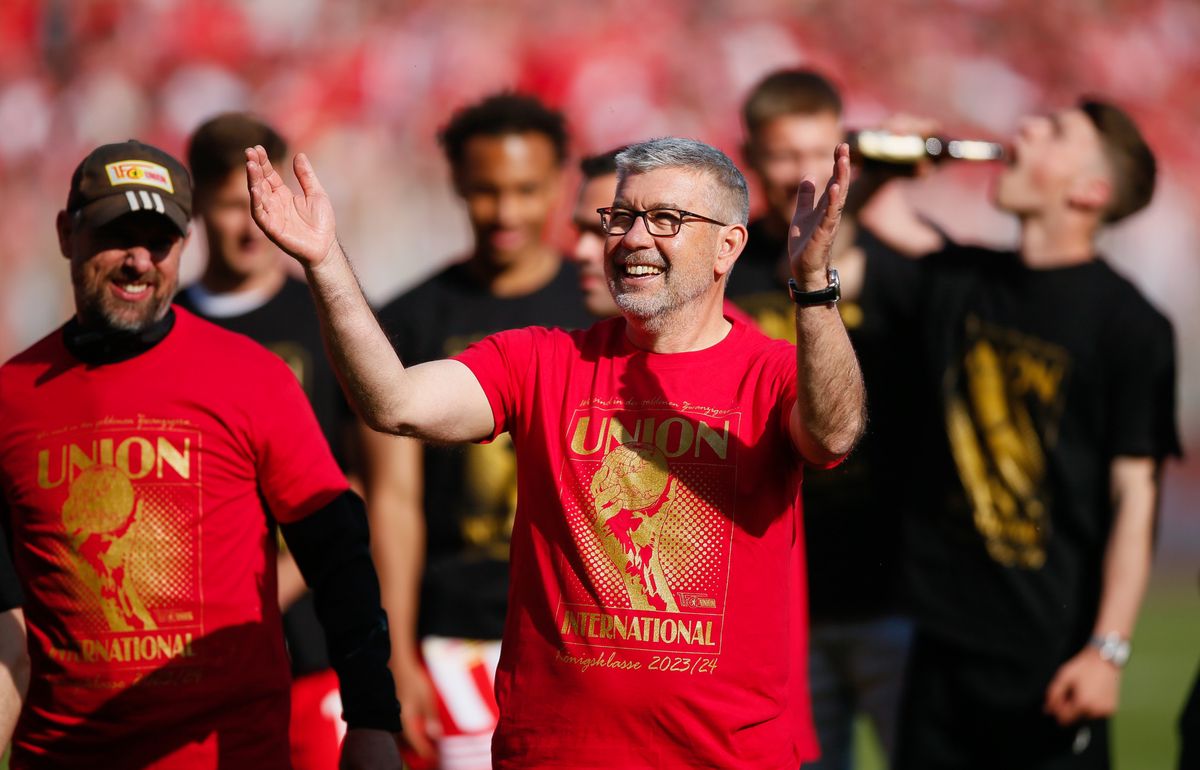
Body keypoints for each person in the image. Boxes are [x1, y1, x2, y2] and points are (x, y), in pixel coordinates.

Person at [248, 130, 865, 768]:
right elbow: (393, 402)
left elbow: (835, 433)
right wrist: (324, 263)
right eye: (621, 217)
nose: (632, 238)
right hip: (554, 752)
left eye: (664, 219)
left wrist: (813, 287)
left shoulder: (770, 373)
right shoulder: (541, 359)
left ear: (727, 246)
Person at [0, 139, 401, 768]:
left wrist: (373, 722)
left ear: (184, 245)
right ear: (64, 234)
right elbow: (6, 627)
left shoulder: (254, 378)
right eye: (114, 234)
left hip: (229, 754)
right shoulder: (11, 398)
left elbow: (338, 557)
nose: (138, 261)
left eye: (158, 240)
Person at [886, 100, 1180, 769]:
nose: (1022, 130)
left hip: (1049, 658)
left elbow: (1137, 497)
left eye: (1054, 133)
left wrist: (1108, 650)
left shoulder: (1131, 326)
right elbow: (874, 218)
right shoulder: (964, 278)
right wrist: (896, 161)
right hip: (940, 646)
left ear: (1090, 192)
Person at [368, 92, 592, 769]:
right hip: (452, 636)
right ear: (458, 183)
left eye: (527, 190)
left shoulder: (598, 311)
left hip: (581, 635)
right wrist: (391, 654)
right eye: (487, 191)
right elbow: (392, 500)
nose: (507, 212)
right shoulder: (407, 318)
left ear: (559, 183)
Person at [735, 68, 922, 769]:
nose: (802, 174)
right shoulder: (729, 263)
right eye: (784, 155)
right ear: (750, 155)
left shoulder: (895, 263)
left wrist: (889, 192)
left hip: (892, 587)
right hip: (774, 593)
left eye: (819, 152)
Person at [174, 111, 362, 770]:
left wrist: (274, 582)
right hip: (191, 654)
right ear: (194, 204)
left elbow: (361, 477)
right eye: (231, 204)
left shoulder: (326, 319)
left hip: (310, 643)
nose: (251, 225)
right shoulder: (168, 328)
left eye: (262, 202)